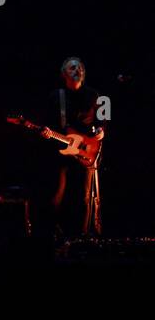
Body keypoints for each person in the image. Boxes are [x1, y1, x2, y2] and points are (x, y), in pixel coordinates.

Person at [37, 56, 103, 240]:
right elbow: (46, 123)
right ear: (64, 74)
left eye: (80, 67)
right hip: (60, 151)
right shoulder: (55, 96)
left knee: (83, 198)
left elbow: (101, 121)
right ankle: (51, 238)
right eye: (73, 68)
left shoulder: (94, 95)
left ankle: (81, 239)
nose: (77, 70)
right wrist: (46, 132)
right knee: (56, 196)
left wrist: (101, 131)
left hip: (86, 151)